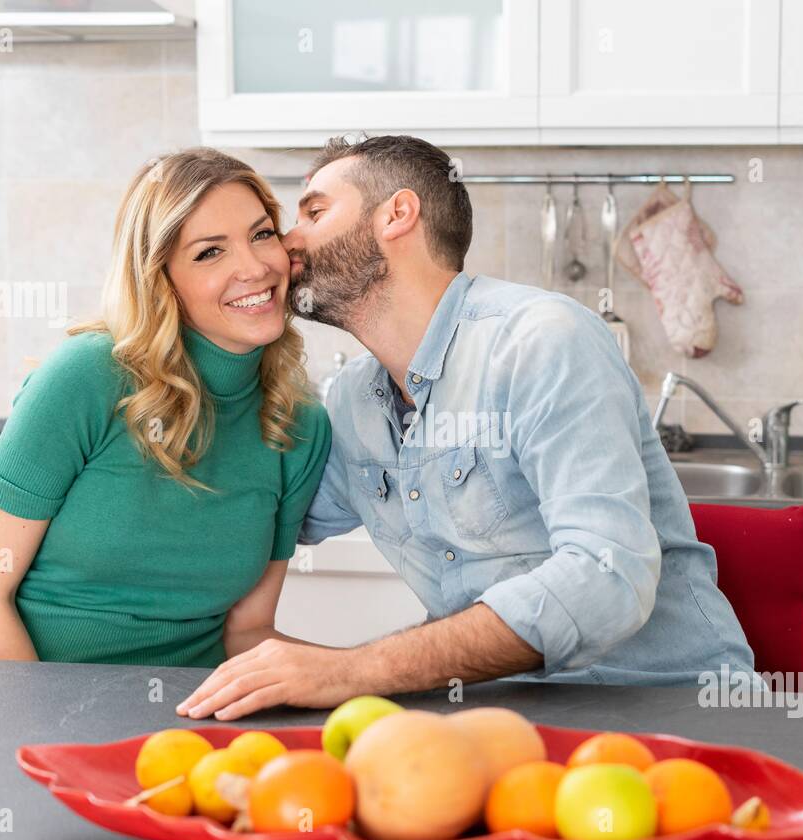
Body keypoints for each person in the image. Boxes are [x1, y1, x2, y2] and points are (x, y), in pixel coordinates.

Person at [175, 135, 756, 720]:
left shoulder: (541, 341)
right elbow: (254, 518)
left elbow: (606, 579)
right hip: (493, 718)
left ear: (397, 215)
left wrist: (353, 672)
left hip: (667, 707)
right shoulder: (355, 400)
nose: (287, 242)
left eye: (314, 212)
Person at [0, 147, 330, 667]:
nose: (254, 267)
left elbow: (248, 633)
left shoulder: (298, 423)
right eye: (209, 252)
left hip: (181, 724)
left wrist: (379, 676)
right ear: (161, 280)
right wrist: (47, 736)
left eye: (261, 234)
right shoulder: (87, 377)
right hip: (20, 703)